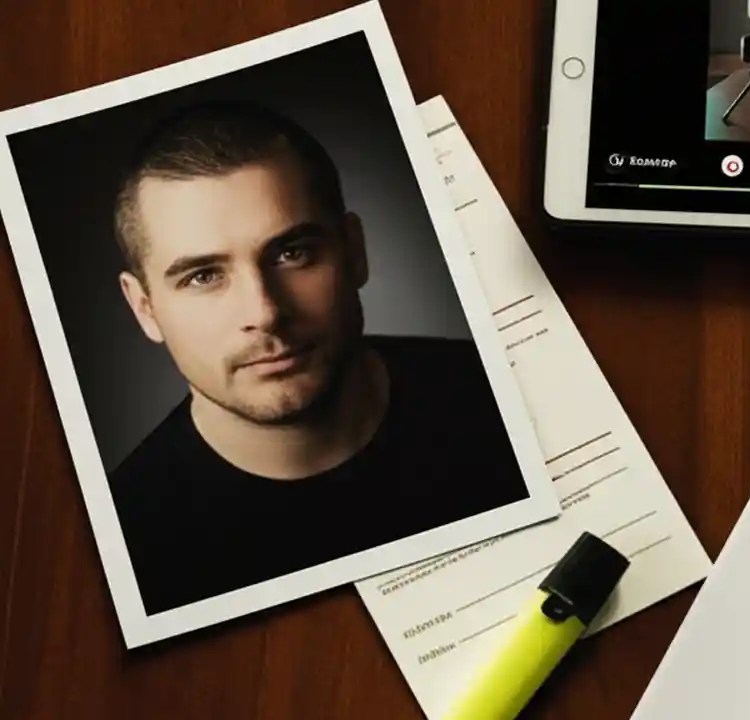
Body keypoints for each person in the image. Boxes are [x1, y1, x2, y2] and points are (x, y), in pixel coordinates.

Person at [109, 100, 528, 614]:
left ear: (354, 252)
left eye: (292, 253)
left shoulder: (513, 391)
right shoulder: (126, 550)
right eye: (204, 276)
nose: (264, 312)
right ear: (145, 308)